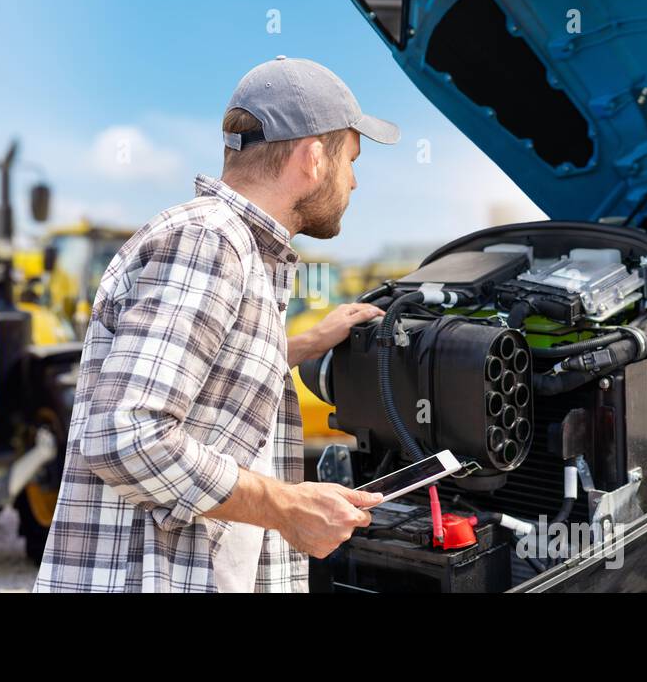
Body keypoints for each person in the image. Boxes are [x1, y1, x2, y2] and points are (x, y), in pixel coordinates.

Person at [34, 56, 399, 592]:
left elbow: (206, 374)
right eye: (352, 160)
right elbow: (126, 434)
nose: (355, 181)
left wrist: (308, 342)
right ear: (314, 157)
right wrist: (287, 507)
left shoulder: (231, 246)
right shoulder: (209, 241)